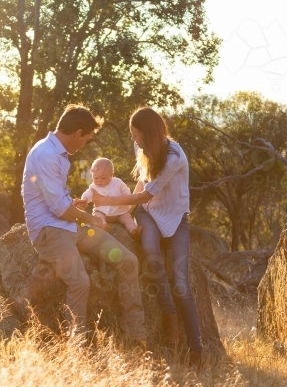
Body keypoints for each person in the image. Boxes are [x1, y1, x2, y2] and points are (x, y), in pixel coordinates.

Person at [92, 106, 227, 365]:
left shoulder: (175, 157)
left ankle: (197, 350)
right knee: (151, 253)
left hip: (176, 219)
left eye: (136, 134)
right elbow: (142, 187)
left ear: (148, 133)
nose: (133, 139)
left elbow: (146, 194)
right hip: (148, 214)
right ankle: (170, 317)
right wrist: (122, 212)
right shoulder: (142, 148)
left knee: (181, 285)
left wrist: (108, 198)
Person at [22, 105, 147, 348]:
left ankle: (136, 334)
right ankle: (76, 347)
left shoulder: (58, 154)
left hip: (70, 225)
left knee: (128, 261)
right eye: (86, 139)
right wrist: (91, 218)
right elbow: (56, 209)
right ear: (77, 132)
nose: (84, 144)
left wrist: (73, 204)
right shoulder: (45, 154)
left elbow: (57, 200)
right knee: (80, 282)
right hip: (50, 231)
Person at [76, 157, 141, 238]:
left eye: (103, 178)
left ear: (111, 175)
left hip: (119, 212)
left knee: (127, 218)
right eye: (96, 178)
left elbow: (127, 193)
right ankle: (104, 225)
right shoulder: (93, 186)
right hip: (102, 212)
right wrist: (84, 199)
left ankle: (134, 231)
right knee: (97, 215)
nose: (99, 180)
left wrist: (124, 197)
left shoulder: (118, 183)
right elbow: (88, 193)